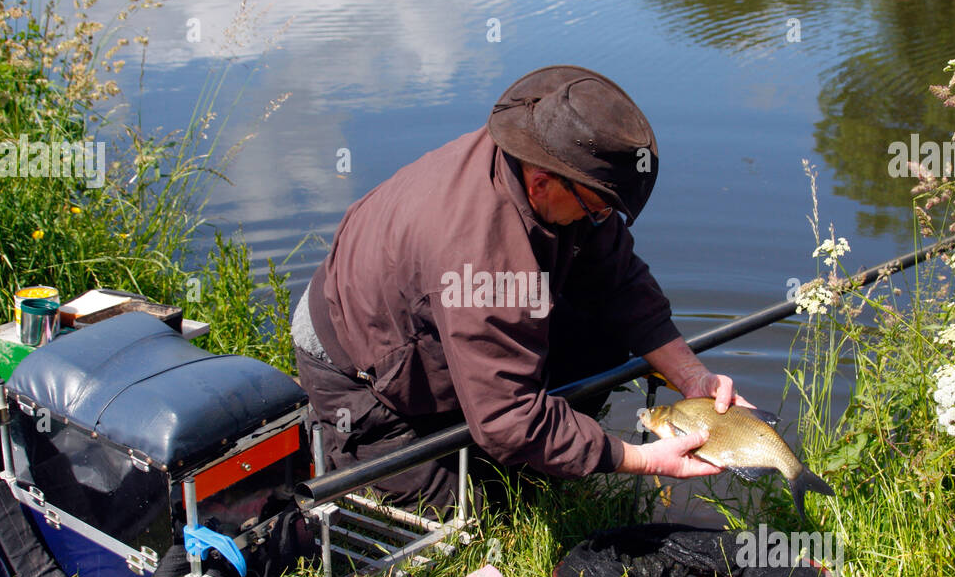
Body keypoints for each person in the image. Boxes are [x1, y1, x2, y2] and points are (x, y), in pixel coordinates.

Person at [292, 65, 749, 516]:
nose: (601, 222)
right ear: (542, 183)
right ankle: (346, 437)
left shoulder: (552, 159)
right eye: (594, 211)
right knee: (469, 521)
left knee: (602, 338)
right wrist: (642, 459)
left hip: (449, 316)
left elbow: (621, 282)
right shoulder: (480, 258)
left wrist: (693, 378)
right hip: (367, 374)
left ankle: (527, 444)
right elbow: (509, 419)